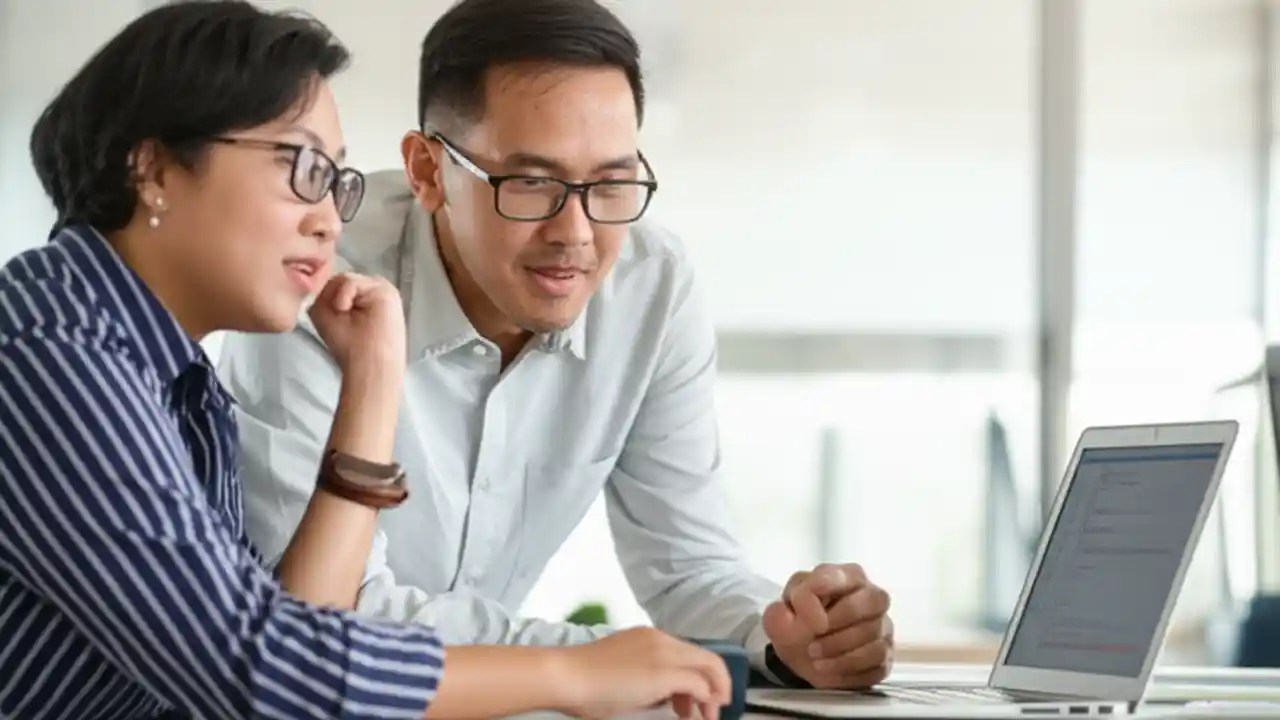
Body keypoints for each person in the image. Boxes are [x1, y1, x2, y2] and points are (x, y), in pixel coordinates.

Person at [0, 2, 732, 718]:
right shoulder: (52, 349)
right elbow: (259, 670)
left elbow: (302, 629)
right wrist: (568, 675)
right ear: (154, 169)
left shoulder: (170, 380)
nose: (327, 218)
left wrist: (374, 375)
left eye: (335, 178)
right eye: (301, 169)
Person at [219, 0, 894, 691]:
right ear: (426, 172)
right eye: (532, 183)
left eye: (610, 183)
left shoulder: (649, 288)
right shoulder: (314, 285)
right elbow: (331, 616)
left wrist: (784, 638)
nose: (575, 233)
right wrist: (594, 664)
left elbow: (689, 565)